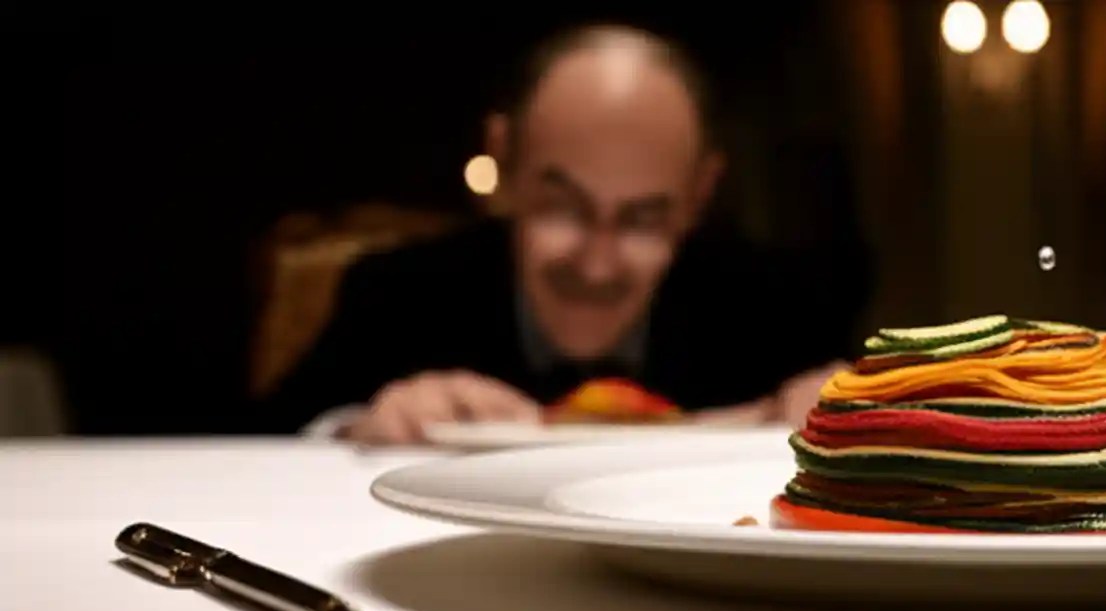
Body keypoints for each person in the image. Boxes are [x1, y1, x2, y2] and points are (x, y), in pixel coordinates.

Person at [264, 24, 871, 444]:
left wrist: (841, 411)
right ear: (505, 162)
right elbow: (262, 443)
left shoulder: (782, 307)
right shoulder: (396, 292)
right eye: (564, 208)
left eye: (642, 219)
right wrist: (357, 427)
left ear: (698, 195)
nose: (598, 266)